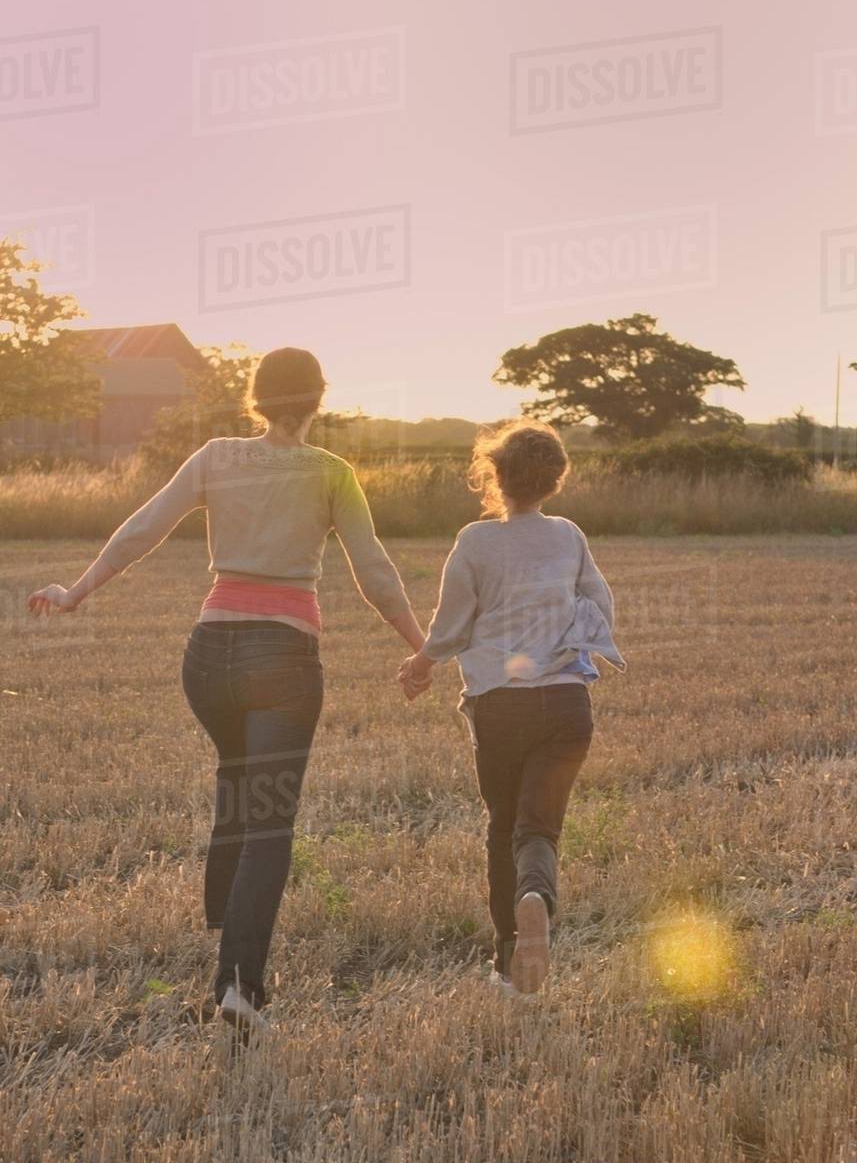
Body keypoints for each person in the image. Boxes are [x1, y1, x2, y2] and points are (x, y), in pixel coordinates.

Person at [28, 348, 426, 1033]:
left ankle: (224, 913)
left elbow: (143, 528)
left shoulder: (216, 456)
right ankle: (239, 987)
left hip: (207, 658)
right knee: (268, 821)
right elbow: (375, 573)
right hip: (282, 659)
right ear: (318, 400)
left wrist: (76, 591)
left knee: (238, 776)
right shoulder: (333, 472)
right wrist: (421, 646)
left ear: (255, 398)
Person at [398, 420, 625, 995]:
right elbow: (600, 604)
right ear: (555, 479)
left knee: (503, 830)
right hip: (567, 705)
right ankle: (536, 896)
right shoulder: (569, 535)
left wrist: (421, 663)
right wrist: (571, 641)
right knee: (538, 830)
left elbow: (451, 626)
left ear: (496, 477)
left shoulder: (475, 541)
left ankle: (507, 965)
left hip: (499, 706)